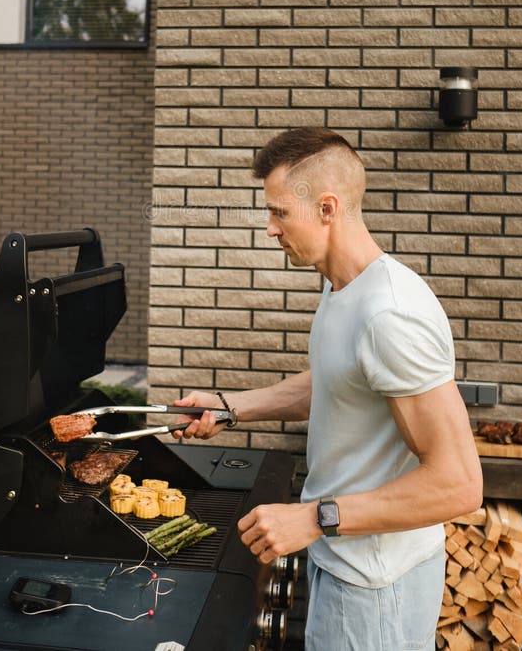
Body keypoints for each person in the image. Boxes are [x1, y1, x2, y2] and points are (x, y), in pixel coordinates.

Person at [174, 126, 483, 651]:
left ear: (327, 208)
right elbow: (339, 381)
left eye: (279, 213)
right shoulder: (343, 287)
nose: (270, 229)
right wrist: (230, 408)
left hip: (376, 584)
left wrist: (315, 517)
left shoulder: (390, 314)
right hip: (346, 562)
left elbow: (457, 484)